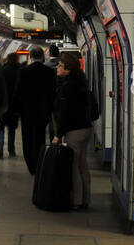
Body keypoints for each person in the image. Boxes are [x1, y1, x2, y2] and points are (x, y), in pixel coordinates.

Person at [55, 50, 94, 210]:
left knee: (74, 166)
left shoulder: (69, 86)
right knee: (82, 165)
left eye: (60, 65)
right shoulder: (81, 81)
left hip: (74, 131)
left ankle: (76, 201)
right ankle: (85, 199)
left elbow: (66, 113)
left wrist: (58, 135)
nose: (57, 67)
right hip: (86, 128)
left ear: (67, 68)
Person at [11, 47, 57, 174]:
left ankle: (31, 165)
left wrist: (15, 109)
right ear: (42, 57)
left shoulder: (23, 71)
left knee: (27, 138)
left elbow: (18, 91)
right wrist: (51, 109)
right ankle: (39, 162)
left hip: (27, 111)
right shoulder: (49, 72)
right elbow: (53, 92)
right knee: (40, 137)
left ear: (30, 57)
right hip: (43, 111)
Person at [0, 52, 22, 159]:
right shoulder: (20, 71)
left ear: (7, 59)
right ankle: (11, 150)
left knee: (0, 127)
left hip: (2, 104)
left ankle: (0, 149)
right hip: (14, 105)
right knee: (11, 129)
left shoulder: (2, 70)